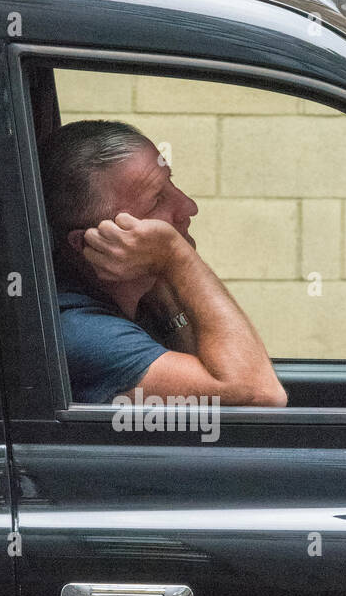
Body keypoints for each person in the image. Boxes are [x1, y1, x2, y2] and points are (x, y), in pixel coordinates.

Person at [39, 119, 287, 407]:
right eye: (155, 201)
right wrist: (177, 259)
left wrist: (164, 289)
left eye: (170, 182)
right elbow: (261, 395)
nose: (189, 207)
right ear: (88, 242)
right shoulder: (81, 332)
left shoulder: (141, 299)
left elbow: (212, 365)